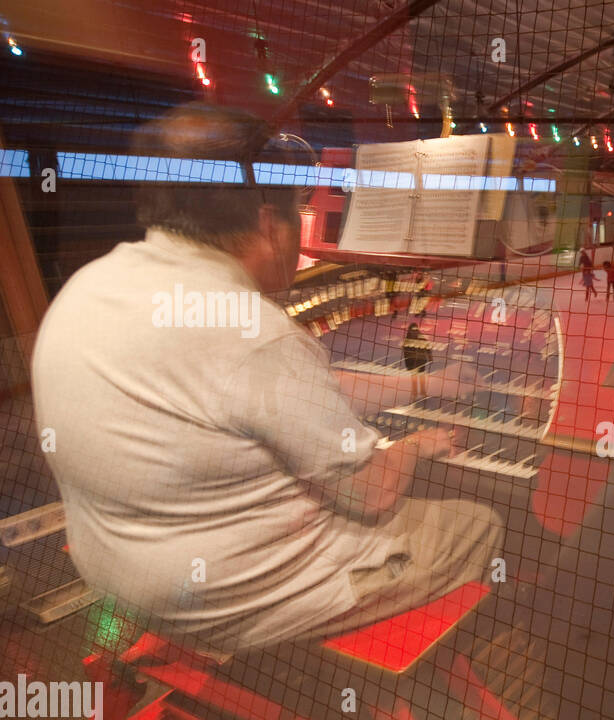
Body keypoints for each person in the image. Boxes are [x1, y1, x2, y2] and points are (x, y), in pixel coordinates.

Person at [30, 102, 504, 656]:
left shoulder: (90, 284)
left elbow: (284, 398)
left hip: (118, 576)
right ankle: (454, 679)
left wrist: (429, 385)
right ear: (266, 223)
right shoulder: (251, 330)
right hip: (221, 603)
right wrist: (418, 445)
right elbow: (372, 494)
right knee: (477, 522)